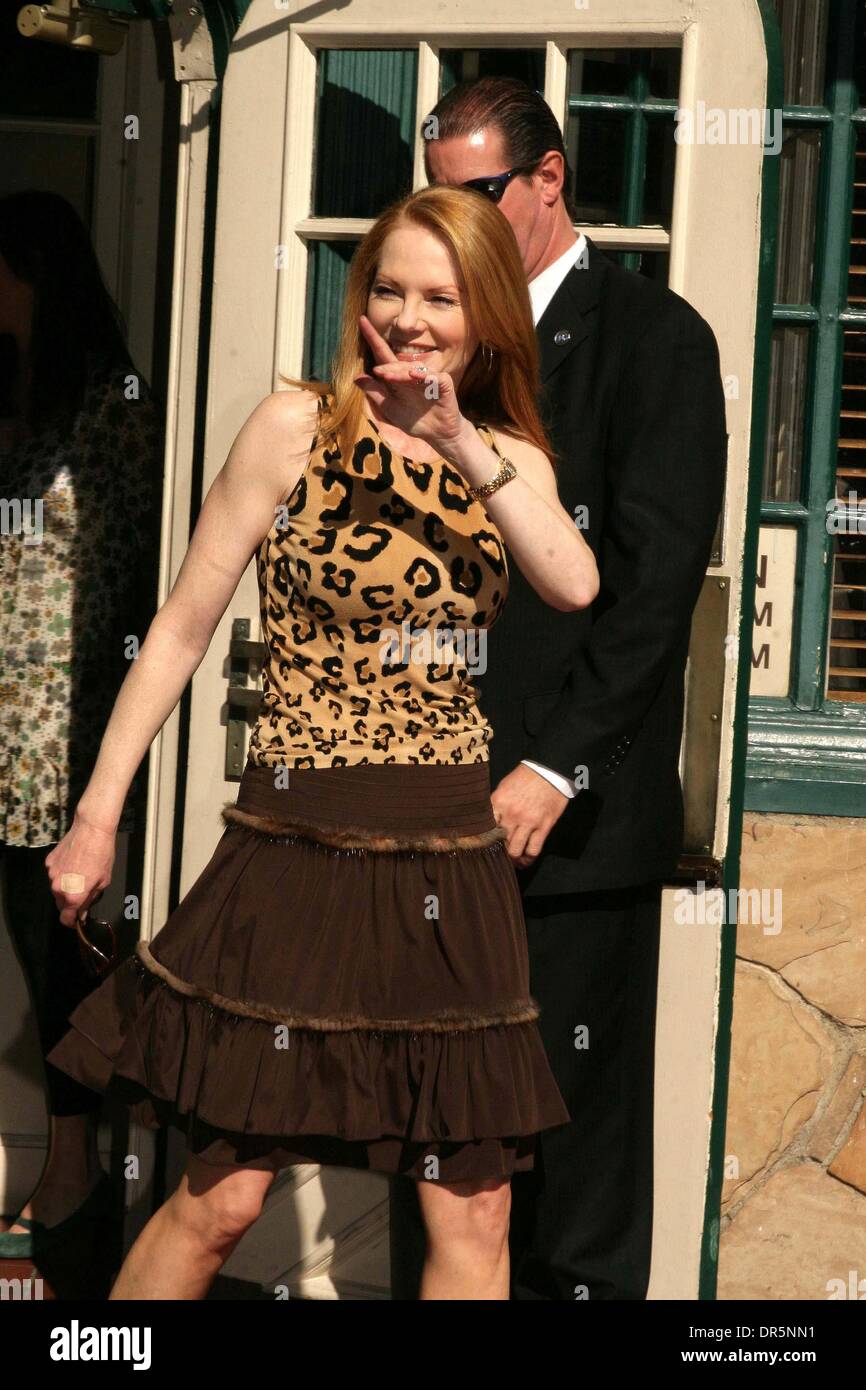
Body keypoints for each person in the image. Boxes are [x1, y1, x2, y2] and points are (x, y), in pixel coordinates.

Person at [44, 182, 599, 1301]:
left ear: (483, 311)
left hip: (446, 853)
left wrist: (452, 435)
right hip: (294, 843)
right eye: (386, 287)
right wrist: (96, 817)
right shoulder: (295, 425)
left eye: (438, 295)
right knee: (223, 1196)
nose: (406, 315)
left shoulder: (505, 462)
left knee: (475, 1204)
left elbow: (575, 582)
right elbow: (181, 628)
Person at [389, 77, 728, 1301]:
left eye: (474, 192)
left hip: (567, 826)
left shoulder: (653, 338)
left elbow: (651, 591)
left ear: (545, 183)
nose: (448, 219)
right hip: (418, 812)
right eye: (429, 194)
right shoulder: (424, 341)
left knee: (570, 1167)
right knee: (431, 1158)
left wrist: (553, 765)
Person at [0, 191, 162, 1258]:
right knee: (28, 944)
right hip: (10, 718)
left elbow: (121, 570)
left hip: (58, 725)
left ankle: (77, 1167)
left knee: (62, 951)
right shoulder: (23, 391)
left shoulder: (111, 401)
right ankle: (68, 1164)